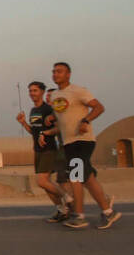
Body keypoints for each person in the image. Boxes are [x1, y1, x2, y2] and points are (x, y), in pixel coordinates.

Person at [50, 62, 121, 230]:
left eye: (59, 71)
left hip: (83, 140)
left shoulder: (78, 91)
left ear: (68, 74)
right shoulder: (54, 96)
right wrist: (50, 128)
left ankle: (79, 216)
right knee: (87, 178)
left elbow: (99, 107)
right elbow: (63, 121)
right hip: (68, 143)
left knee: (75, 176)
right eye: (53, 72)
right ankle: (108, 212)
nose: (55, 74)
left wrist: (86, 120)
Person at [16, 80, 72, 221]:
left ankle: (67, 197)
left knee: (41, 181)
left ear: (41, 92)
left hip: (48, 149)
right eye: (30, 91)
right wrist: (23, 123)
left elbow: (58, 128)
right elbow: (33, 132)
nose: (32, 93)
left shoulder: (48, 109)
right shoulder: (33, 111)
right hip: (37, 150)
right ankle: (61, 209)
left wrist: (46, 134)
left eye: (34, 90)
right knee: (45, 184)